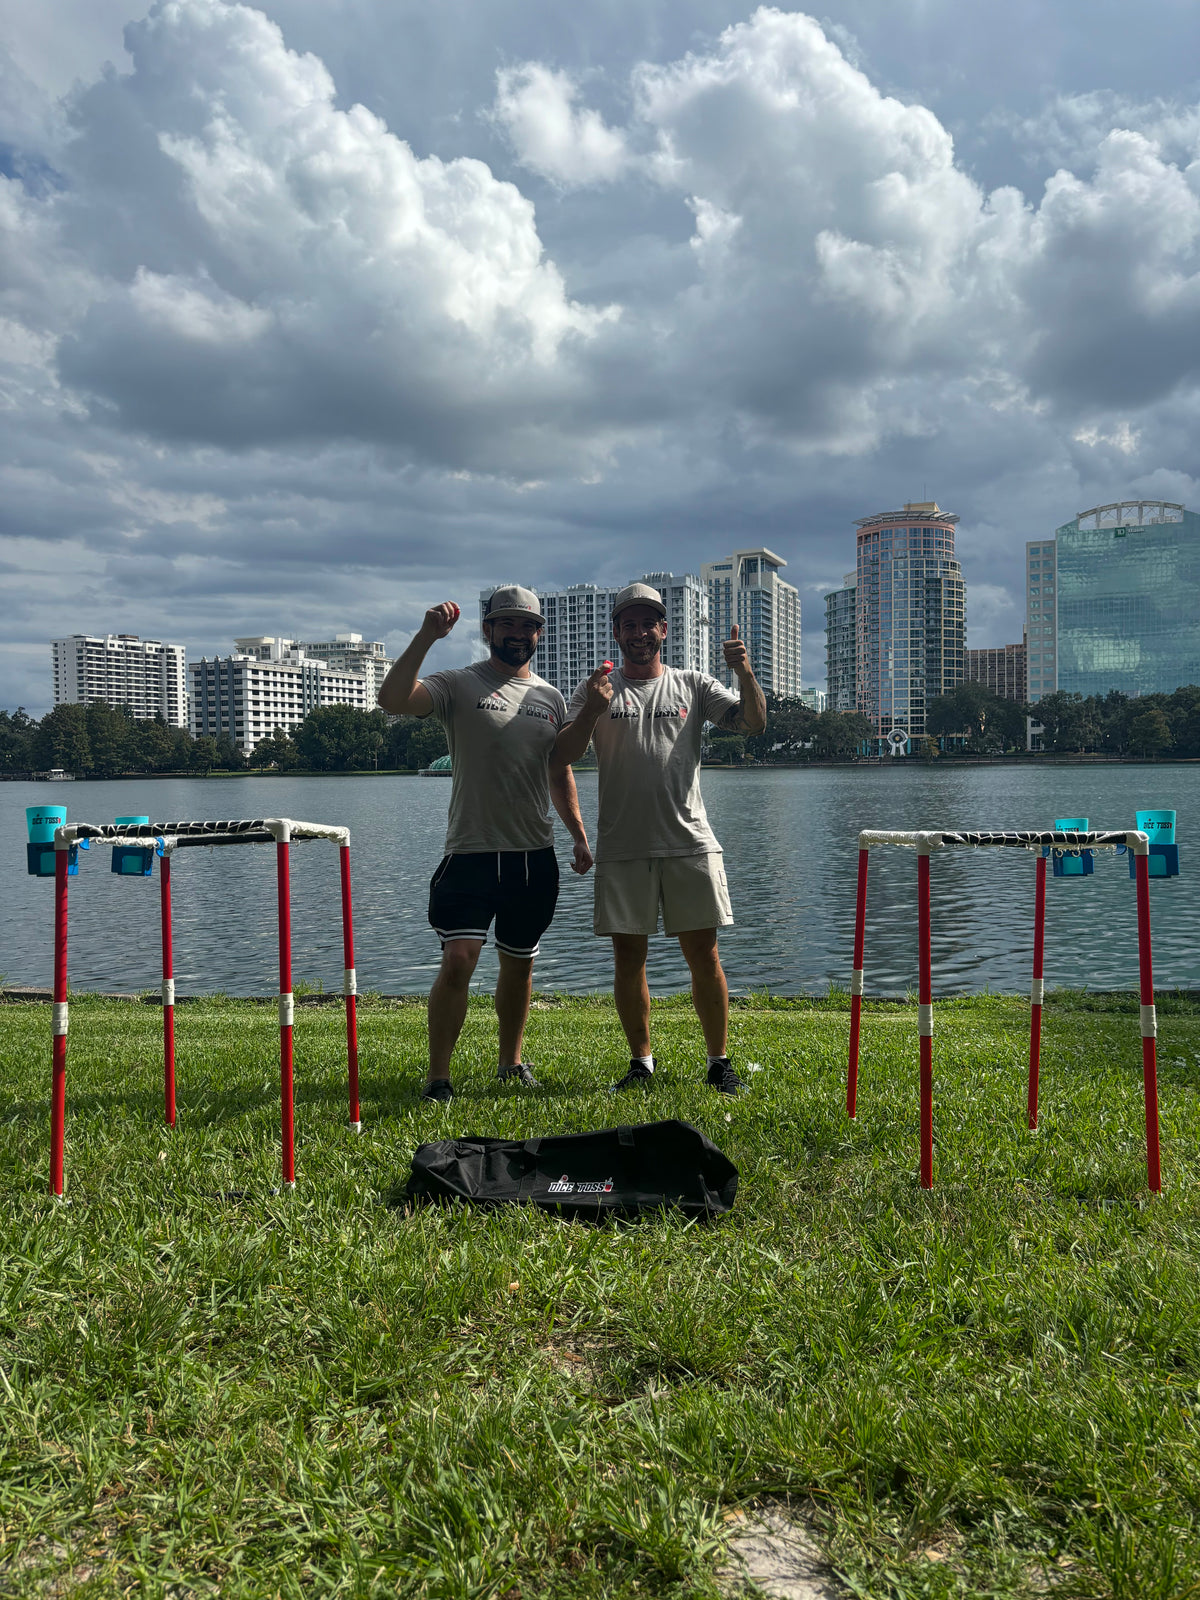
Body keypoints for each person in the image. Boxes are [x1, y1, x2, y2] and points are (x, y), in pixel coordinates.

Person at [378, 586, 592, 1101]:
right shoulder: (458, 684)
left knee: (519, 964)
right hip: (471, 853)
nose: (518, 634)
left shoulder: (550, 697)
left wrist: (580, 836)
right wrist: (427, 637)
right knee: (459, 960)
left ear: (538, 633)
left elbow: (558, 768)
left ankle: (510, 1063)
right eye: (507, 624)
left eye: (528, 626)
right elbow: (392, 700)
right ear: (489, 629)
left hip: (531, 858)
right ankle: (439, 1078)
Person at [552, 581, 766, 1094]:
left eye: (648, 622)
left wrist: (743, 670)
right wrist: (589, 710)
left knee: (704, 955)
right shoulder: (595, 689)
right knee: (629, 959)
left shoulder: (692, 683)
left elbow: (753, 724)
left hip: (690, 841)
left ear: (663, 631)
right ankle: (641, 1064)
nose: (639, 632)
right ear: (616, 632)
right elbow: (559, 754)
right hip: (623, 846)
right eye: (629, 623)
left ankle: (718, 1061)